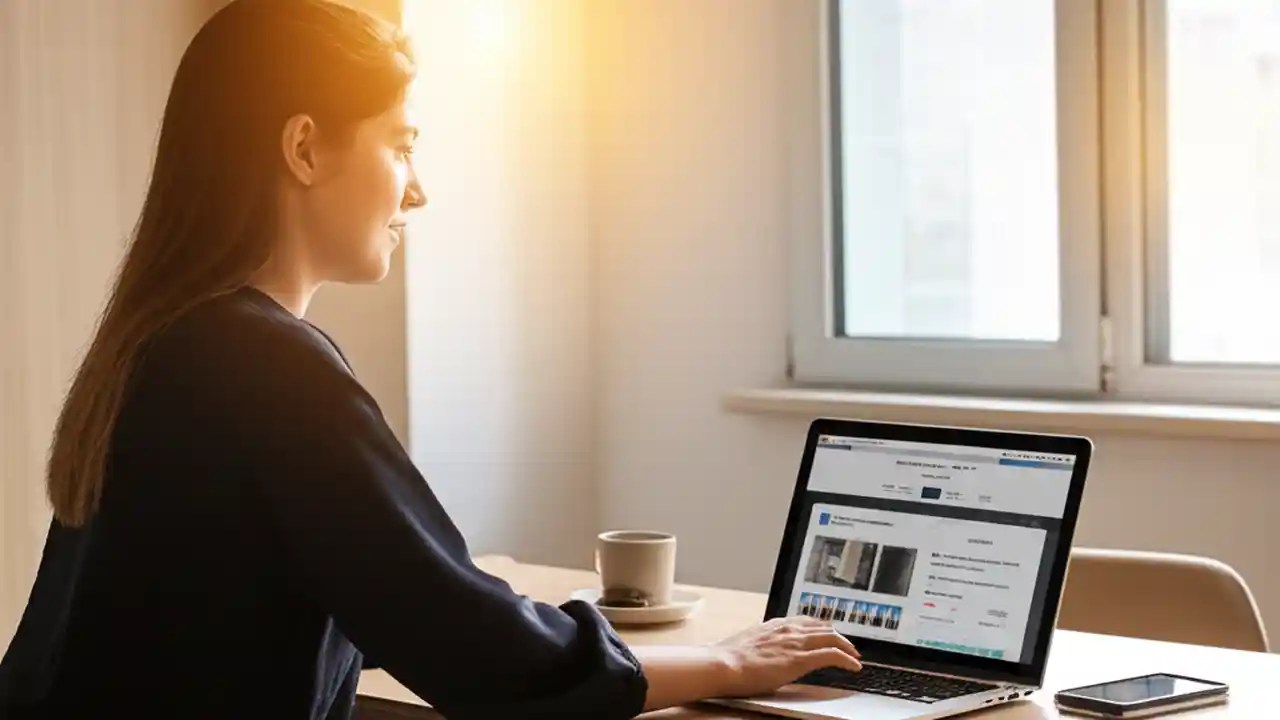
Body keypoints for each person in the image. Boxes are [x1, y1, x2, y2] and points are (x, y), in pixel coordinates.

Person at [0, 1, 861, 718]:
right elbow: (473, 653)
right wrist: (722, 663)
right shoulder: (263, 365)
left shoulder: (161, 343)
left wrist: (455, 584)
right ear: (303, 149)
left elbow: (356, 592)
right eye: (402, 143)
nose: (418, 187)